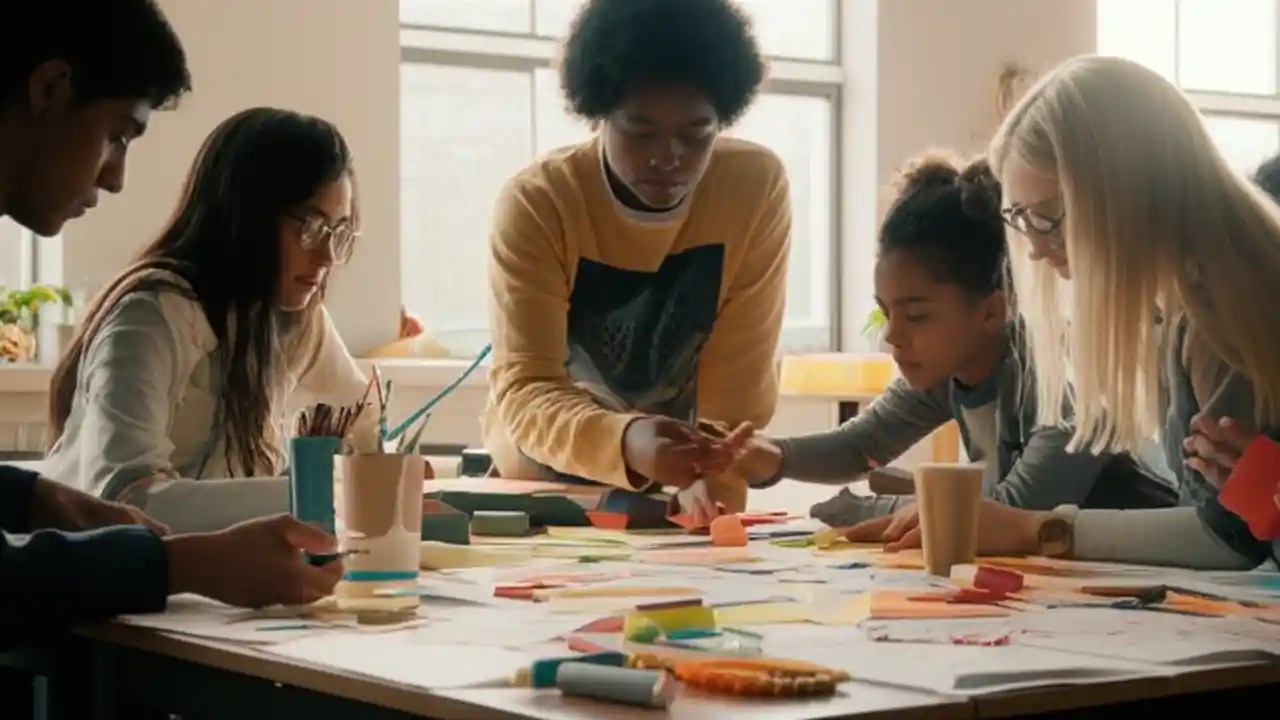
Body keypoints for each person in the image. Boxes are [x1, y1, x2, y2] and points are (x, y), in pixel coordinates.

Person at [850, 55, 1280, 568]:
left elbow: (1230, 540)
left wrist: (1033, 529)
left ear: (1121, 192)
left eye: (1049, 217)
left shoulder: (1223, 308)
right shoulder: (1177, 305)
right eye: (1022, 219)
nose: (1034, 249)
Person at [0, 0, 340, 648]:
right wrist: (187, 564)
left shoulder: (285, 320)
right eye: (119, 135)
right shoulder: (154, 311)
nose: (117, 178)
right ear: (49, 88)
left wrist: (28, 497)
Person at [729, 153, 1176, 531]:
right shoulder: (949, 371)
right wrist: (774, 456)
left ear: (991, 311)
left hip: (1147, 570)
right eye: (886, 313)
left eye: (916, 316)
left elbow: (1013, 509)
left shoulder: (1060, 377)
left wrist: (866, 510)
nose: (893, 336)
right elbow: (860, 446)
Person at [481, 0, 788, 502]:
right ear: (600, 114)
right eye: (640, 132)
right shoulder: (539, 202)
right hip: (548, 476)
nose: (668, 157)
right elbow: (529, 387)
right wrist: (625, 440)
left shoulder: (752, 188)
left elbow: (739, 384)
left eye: (696, 134)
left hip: (684, 472)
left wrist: (713, 477)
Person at [43, 106, 373, 535]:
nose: (327, 256)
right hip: (93, 567)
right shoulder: (151, 316)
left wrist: (383, 469)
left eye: (338, 232)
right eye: (310, 226)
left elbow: (367, 421)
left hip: (205, 573)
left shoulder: (293, 318)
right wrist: (321, 493)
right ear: (247, 214)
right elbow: (126, 500)